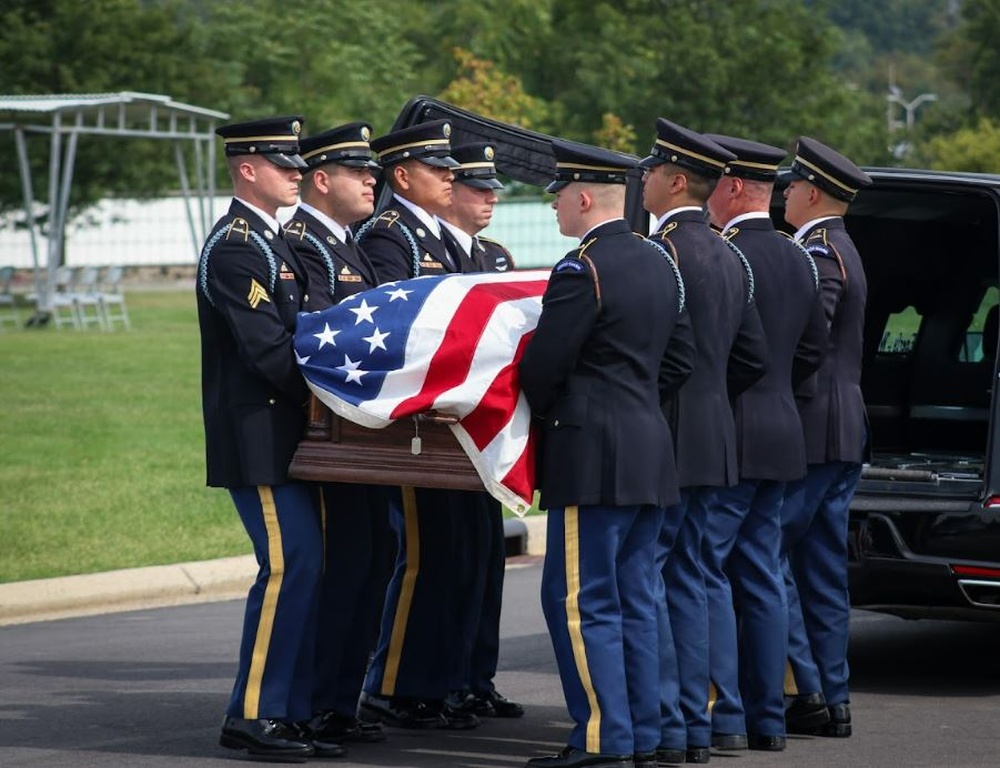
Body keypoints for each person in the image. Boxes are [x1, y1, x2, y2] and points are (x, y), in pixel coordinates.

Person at [520, 140, 694, 768]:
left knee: (583, 602)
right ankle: (643, 734)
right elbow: (681, 360)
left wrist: (558, 411)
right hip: (650, 449)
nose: (556, 210)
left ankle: (602, 737)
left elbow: (544, 366)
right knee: (637, 599)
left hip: (589, 455)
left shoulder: (580, 269)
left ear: (584, 196)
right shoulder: (658, 263)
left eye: (560, 197)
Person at [197, 116, 343, 761]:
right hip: (259, 435)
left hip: (291, 434)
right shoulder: (236, 245)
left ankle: (287, 709)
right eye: (284, 166)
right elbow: (266, 350)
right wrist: (338, 399)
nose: (297, 175)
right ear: (248, 169)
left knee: (306, 567)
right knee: (290, 567)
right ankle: (253, 713)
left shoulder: (273, 240)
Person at [639, 118, 767, 764]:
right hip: (717, 435)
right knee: (701, 577)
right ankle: (718, 718)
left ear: (677, 180)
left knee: (658, 579)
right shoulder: (730, 252)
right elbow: (753, 358)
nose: (642, 179)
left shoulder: (662, 253)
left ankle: (676, 722)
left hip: (669, 435)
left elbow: (664, 355)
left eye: (651, 171)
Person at [700, 134, 827, 751]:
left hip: (737, 431)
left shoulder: (730, 255)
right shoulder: (797, 255)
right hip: (783, 431)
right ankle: (768, 720)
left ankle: (724, 717)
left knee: (712, 571)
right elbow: (813, 351)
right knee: (763, 574)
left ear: (729, 187)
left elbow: (729, 353)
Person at [356, 120, 480, 731]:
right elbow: (399, 322)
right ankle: (394, 683)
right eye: (440, 169)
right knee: (424, 555)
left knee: (450, 555)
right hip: (415, 426)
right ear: (402, 175)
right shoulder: (389, 234)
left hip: (448, 421)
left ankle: (435, 683)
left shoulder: (441, 234)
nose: (451, 178)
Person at [281, 122, 394, 746]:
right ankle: (319, 700)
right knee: (342, 566)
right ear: (322, 180)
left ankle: (339, 700)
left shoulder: (346, 243)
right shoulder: (303, 243)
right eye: (360, 173)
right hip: (329, 438)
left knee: (370, 559)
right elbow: (324, 334)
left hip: (361, 436)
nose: (371, 181)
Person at [780, 136, 873, 739]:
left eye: (791, 185)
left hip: (815, 427)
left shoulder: (819, 253)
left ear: (812, 192)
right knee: (819, 569)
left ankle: (807, 688)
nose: (783, 193)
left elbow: (812, 335)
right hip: (842, 428)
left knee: (765, 554)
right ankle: (833, 696)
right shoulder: (842, 246)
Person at [437, 142, 524, 720]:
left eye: (493, 188)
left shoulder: (492, 255)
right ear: (450, 191)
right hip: (441, 439)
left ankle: (475, 675)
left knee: (486, 558)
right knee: (446, 562)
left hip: (483, 435)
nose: (490, 197)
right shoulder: (423, 249)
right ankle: (436, 678)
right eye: (477, 187)